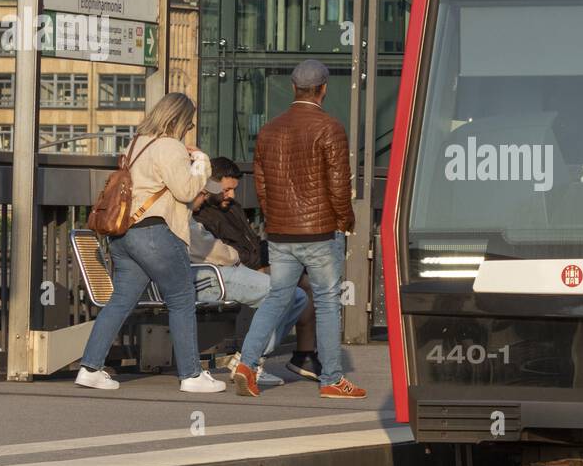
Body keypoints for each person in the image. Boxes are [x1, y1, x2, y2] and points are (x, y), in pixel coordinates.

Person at [228, 60, 366, 399]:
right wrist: (346, 221)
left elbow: (262, 185)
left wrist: (274, 219)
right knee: (327, 302)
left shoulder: (270, 130)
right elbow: (338, 184)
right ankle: (332, 378)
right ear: (323, 89)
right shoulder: (329, 128)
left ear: (293, 88)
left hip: (281, 232)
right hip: (320, 231)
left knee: (276, 297)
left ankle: (247, 363)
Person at [75, 93, 225, 393]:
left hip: (124, 235)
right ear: (179, 119)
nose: (189, 127)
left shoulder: (136, 143)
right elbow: (185, 191)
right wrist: (201, 163)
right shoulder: (170, 147)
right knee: (182, 300)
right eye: (189, 122)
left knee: (120, 301)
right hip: (155, 233)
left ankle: (90, 368)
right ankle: (192, 375)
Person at [193, 157, 323, 382]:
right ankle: (251, 360)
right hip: (224, 272)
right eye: (226, 190)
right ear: (209, 185)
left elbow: (253, 243)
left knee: (303, 285)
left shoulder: (231, 208)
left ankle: (300, 354)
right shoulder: (200, 213)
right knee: (294, 293)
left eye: (233, 190)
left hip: (247, 266)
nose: (231, 196)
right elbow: (218, 253)